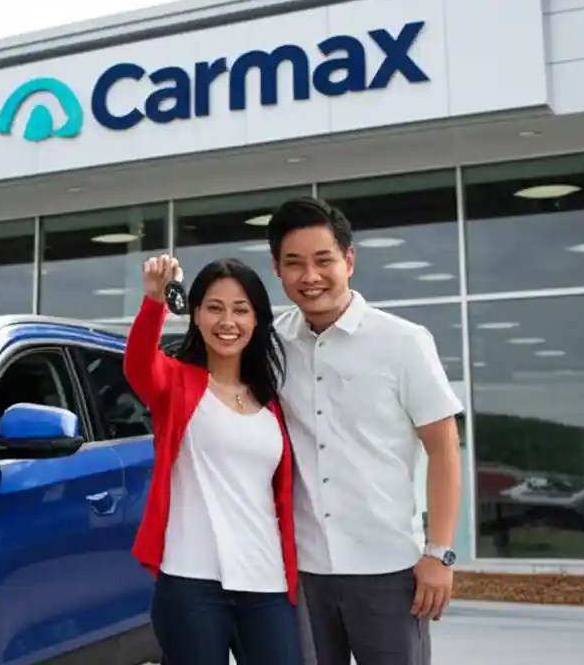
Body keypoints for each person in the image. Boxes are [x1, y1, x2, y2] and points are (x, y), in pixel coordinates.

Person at [266, 196, 464, 665]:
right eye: (294, 263)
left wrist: (441, 553)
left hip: (388, 569)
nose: (310, 276)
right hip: (304, 571)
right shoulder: (271, 343)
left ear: (349, 260)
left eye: (323, 260)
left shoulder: (403, 342)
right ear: (277, 269)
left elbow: (445, 449)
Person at [124, 254, 302, 665]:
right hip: (192, 581)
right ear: (197, 316)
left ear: (256, 320)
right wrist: (154, 300)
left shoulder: (270, 400)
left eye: (241, 310)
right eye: (215, 309)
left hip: (266, 581)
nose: (228, 322)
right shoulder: (177, 383)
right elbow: (138, 366)